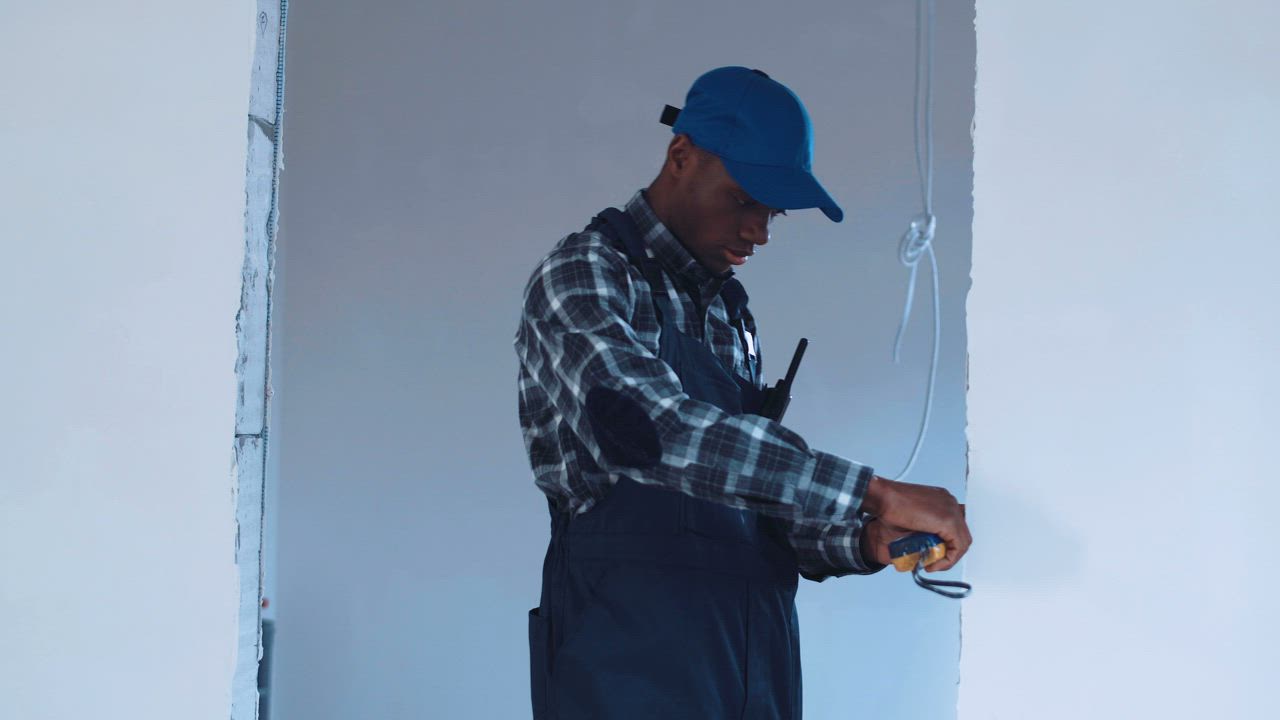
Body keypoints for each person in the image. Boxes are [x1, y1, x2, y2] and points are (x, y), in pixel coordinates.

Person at [513, 66, 972, 720]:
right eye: (744, 199)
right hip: (628, 677)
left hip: (752, 677)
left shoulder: (732, 316)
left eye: (772, 211)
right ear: (681, 157)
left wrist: (865, 540)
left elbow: (750, 520)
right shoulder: (586, 273)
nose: (759, 230)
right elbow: (655, 436)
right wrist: (874, 491)